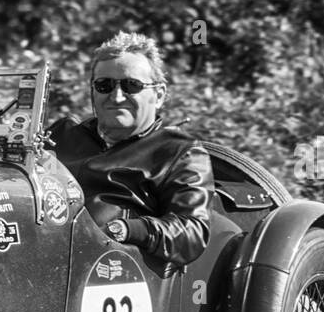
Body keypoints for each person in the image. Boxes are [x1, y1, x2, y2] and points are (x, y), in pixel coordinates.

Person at [47, 32, 213, 267]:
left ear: (159, 95)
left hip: (110, 268)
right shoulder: (61, 136)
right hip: (42, 253)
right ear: (92, 92)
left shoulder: (179, 153)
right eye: (104, 85)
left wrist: (129, 229)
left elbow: (192, 232)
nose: (116, 96)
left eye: (131, 85)